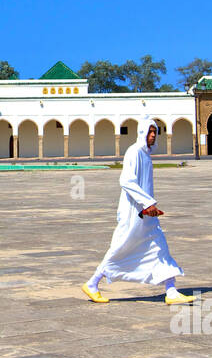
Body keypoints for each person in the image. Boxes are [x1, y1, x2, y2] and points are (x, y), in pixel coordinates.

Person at [81, 117, 194, 304]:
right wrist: (146, 203)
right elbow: (126, 180)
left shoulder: (146, 155)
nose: (152, 136)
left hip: (147, 215)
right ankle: (92, 283)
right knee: (120, 248)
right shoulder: (133, 152)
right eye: (149, 132)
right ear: (142, 132)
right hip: (133, 213)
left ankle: (171, 291)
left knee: (160, 248)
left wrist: (149, 206)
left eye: (155, 132)